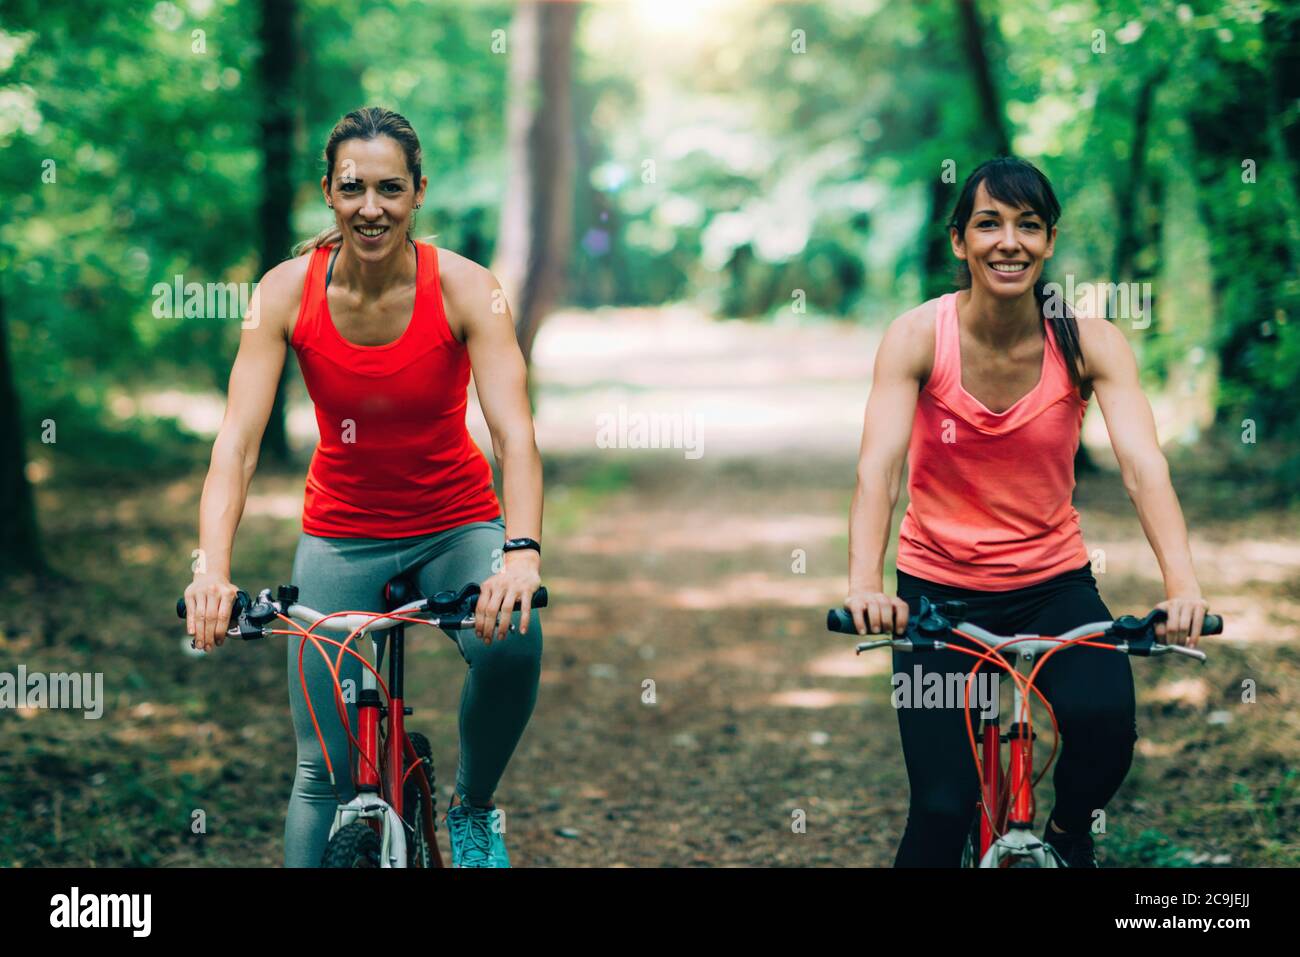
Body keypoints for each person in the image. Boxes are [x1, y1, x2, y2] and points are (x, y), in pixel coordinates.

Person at [181, 107, 544, 868]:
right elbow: (237, 443)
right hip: (341, 537)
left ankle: (473, 807)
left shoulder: (468, 288)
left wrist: (520, 553)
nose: (370, 207)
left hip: (456, 526)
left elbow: (513, 432)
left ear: (417, 194)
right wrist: (210, 568)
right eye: (353, 188)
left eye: (389, 188)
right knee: (324, 774)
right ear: (329, 192)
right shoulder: (285, 292)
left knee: (512, 642)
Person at [843, 156, 1212, 867]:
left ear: (1048, 243)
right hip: (935, 596)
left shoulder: (1088, 340)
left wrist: (1183, 586)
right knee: (943, 808)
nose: (1007, 241)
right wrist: (867, 584)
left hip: (1053, 584)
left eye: (1028, 225)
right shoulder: (918, 337)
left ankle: (1071, 832)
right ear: (960, 242)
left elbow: (1143, 465)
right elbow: (878, 467)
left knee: (1107, 728)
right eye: (988, 223)